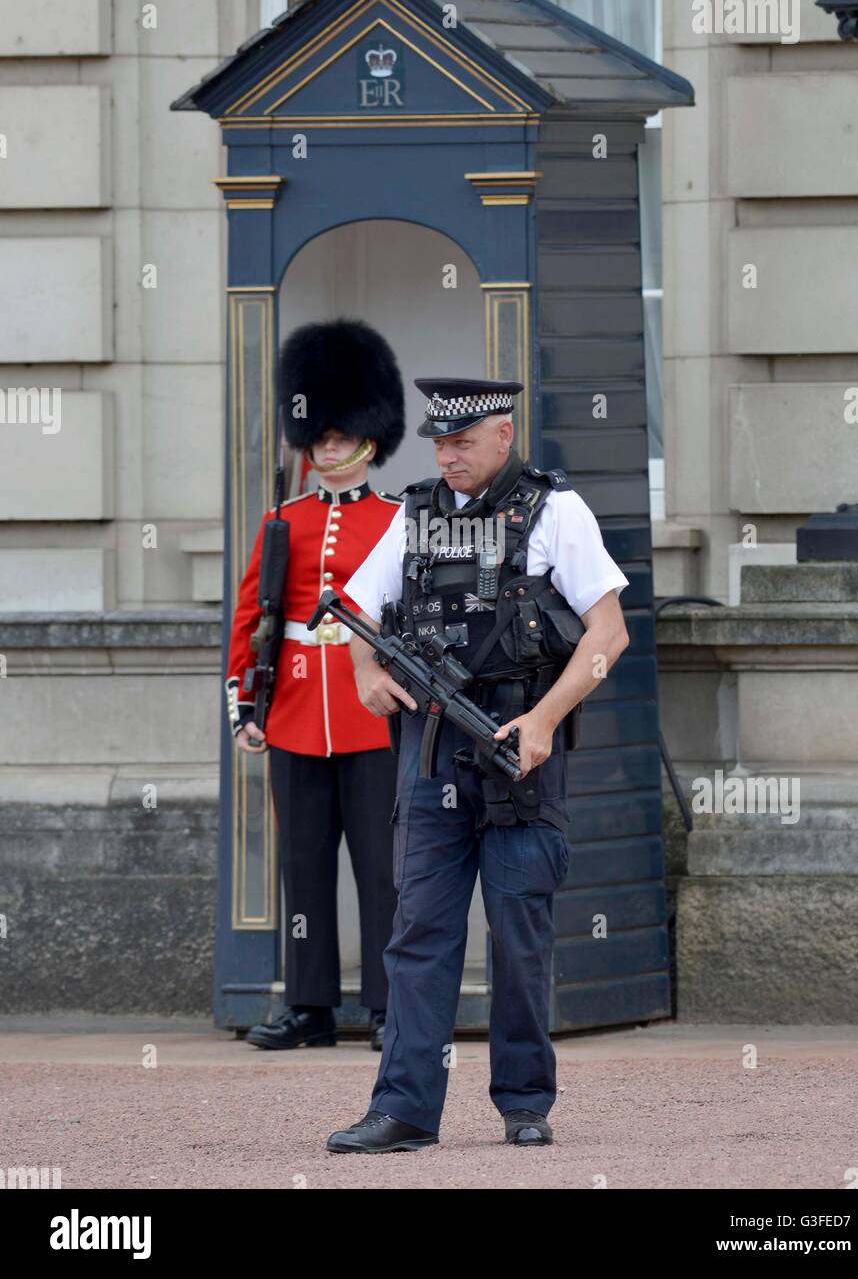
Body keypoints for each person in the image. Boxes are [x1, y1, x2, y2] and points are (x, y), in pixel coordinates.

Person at [324, 376, 630, 1151]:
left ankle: (525, 1103)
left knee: (518, 930)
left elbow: (607, 637)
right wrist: (366, 674)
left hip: (520, 745)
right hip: (432, 752)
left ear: (503, 434)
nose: (446, 456)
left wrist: (543, 720)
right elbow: (356, 609)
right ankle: (403, 1109)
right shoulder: (416, 512)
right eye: (439, 443)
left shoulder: (554, 510)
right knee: (419, 930)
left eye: (462, 442)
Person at [225, 318, 405, 1052]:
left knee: (381, 869)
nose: (328, 446)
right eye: (320, 436)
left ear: (369, 437)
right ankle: (309, 1004)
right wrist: (246, 702)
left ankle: (391, 1004)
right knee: (303, 867)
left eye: (340, 434)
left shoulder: (399, 521)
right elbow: (249, 616)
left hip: (372, 713)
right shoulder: (283, 519)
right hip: (296, 709)